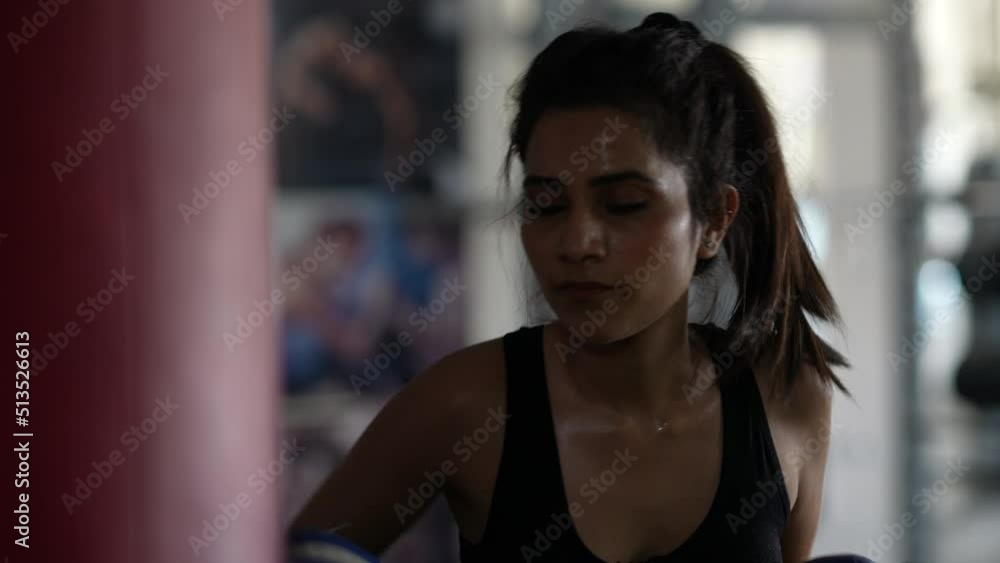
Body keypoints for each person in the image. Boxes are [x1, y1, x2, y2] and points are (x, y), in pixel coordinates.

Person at [290, 12, 857, 563]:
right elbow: (308, 549)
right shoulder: (466, 405)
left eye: (625, 204)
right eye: (547, 205)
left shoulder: (789, 395)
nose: (578, 241)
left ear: (713, 219)